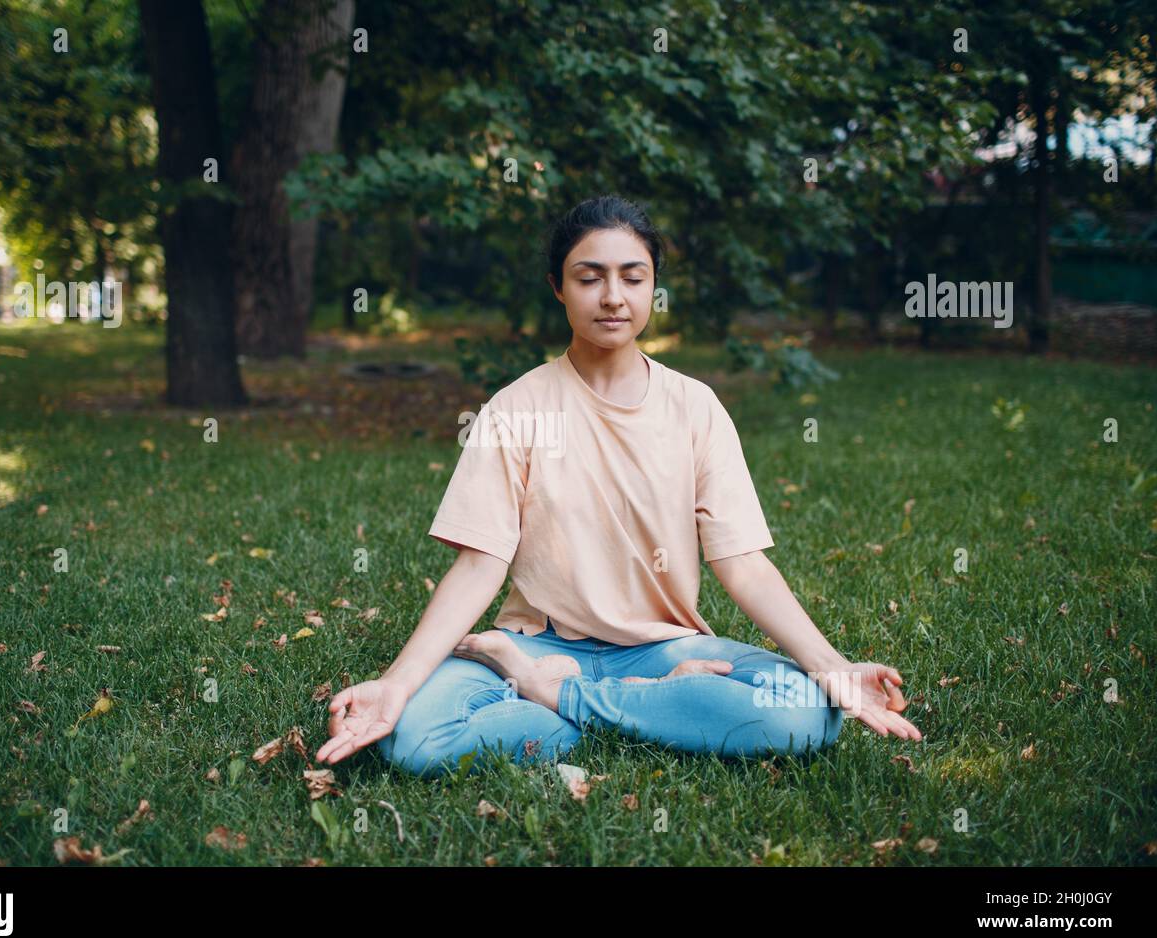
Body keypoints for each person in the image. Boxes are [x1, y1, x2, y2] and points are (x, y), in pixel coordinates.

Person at [315, 194, 922, 779]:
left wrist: (834, 669)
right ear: (558, 286)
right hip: (531, 644)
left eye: (633, 278)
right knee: (414, 738)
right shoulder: (514, 409)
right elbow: (479, 566)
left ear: (652, 288)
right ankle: (631, 704)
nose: (612, 297)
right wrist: (396, 684)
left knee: (804, 713)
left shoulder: (696, 407)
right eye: (589, 277)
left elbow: (745, 565)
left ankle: (560, 698)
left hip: (662, 648)